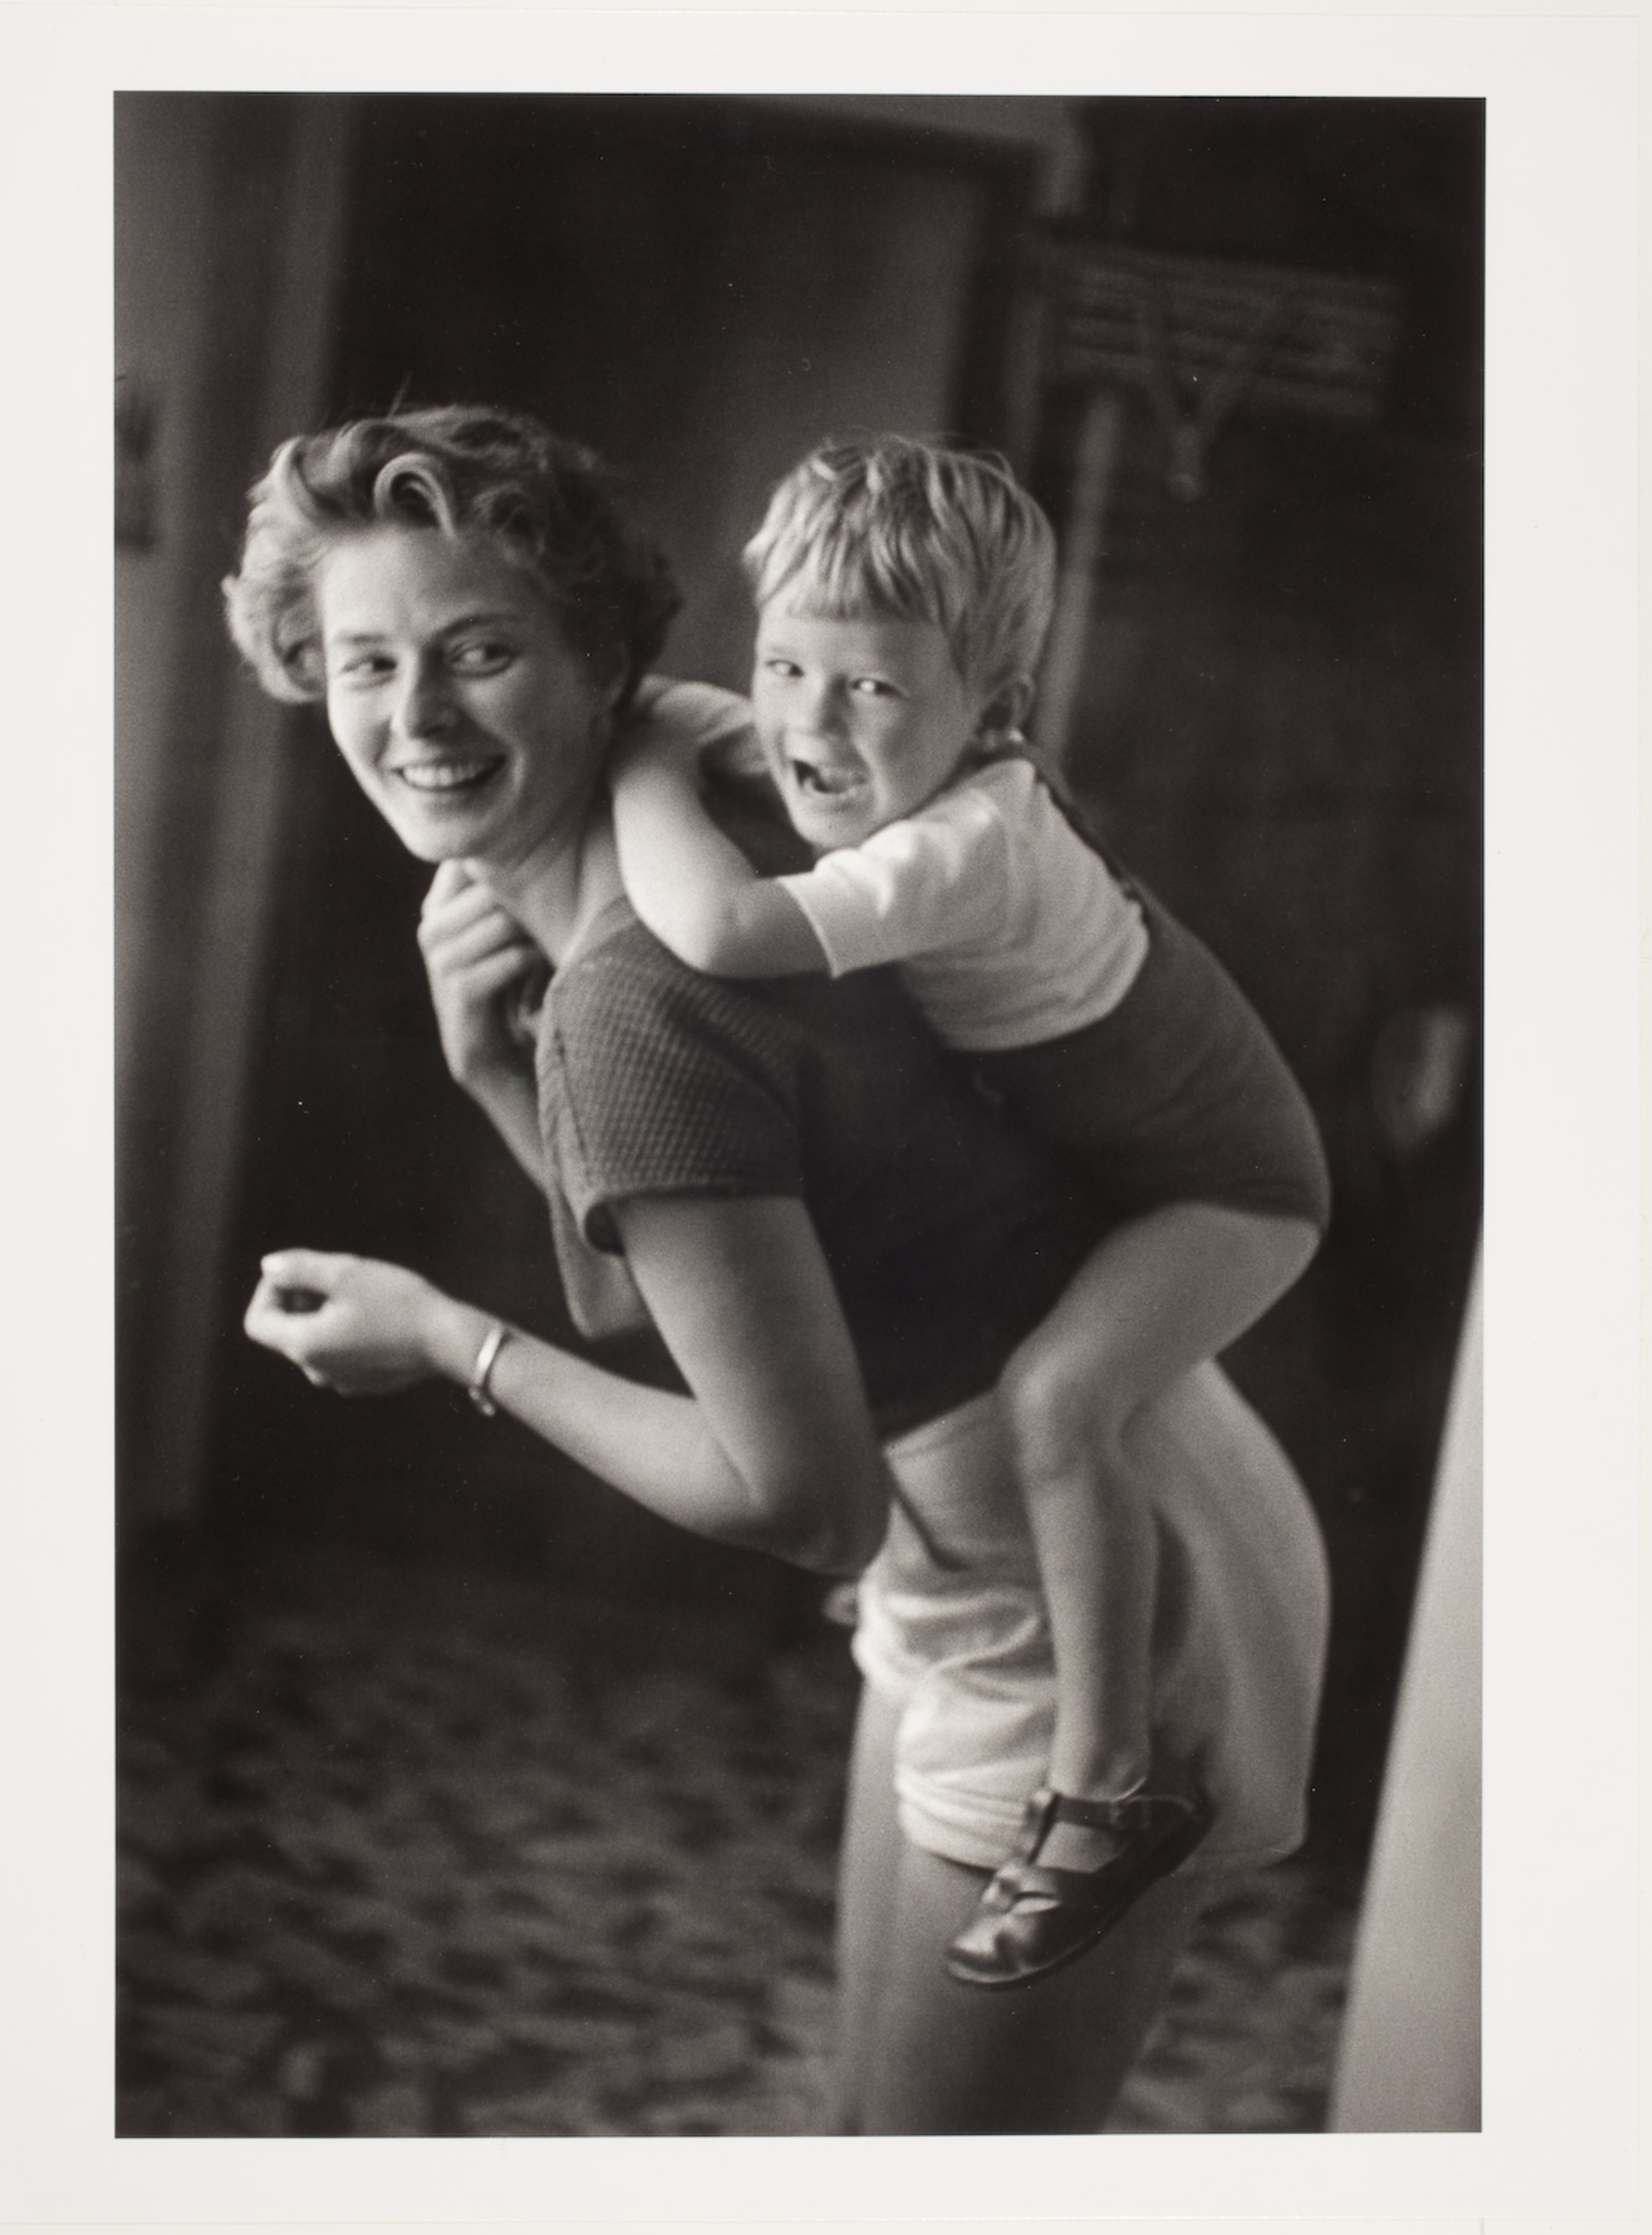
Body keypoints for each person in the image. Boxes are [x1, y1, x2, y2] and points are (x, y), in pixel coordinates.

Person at [228, 404, 1329, 2133]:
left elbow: (790, 1495)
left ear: (600, 662)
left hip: (1078, 1595)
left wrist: (451, 1340)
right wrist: (502, 1077)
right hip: (1006, 1549)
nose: (414, 720)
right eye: (361, 662)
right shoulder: (739, 806)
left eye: (480, 652)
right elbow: (704, 1301)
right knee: (874, 2139)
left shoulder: (637, 986)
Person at [610, 436, 1330, 1986]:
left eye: (870, 687)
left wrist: (639, 761)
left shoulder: (968, 844)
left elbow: (721, 930)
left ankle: (1101, 1787)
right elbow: (777, 750)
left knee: (1057, 1401)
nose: (808, 717)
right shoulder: (902, 773)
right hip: (1122, 1154)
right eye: (784, 660)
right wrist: (745, 724)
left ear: (991, 711)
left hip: (1234, 1192)